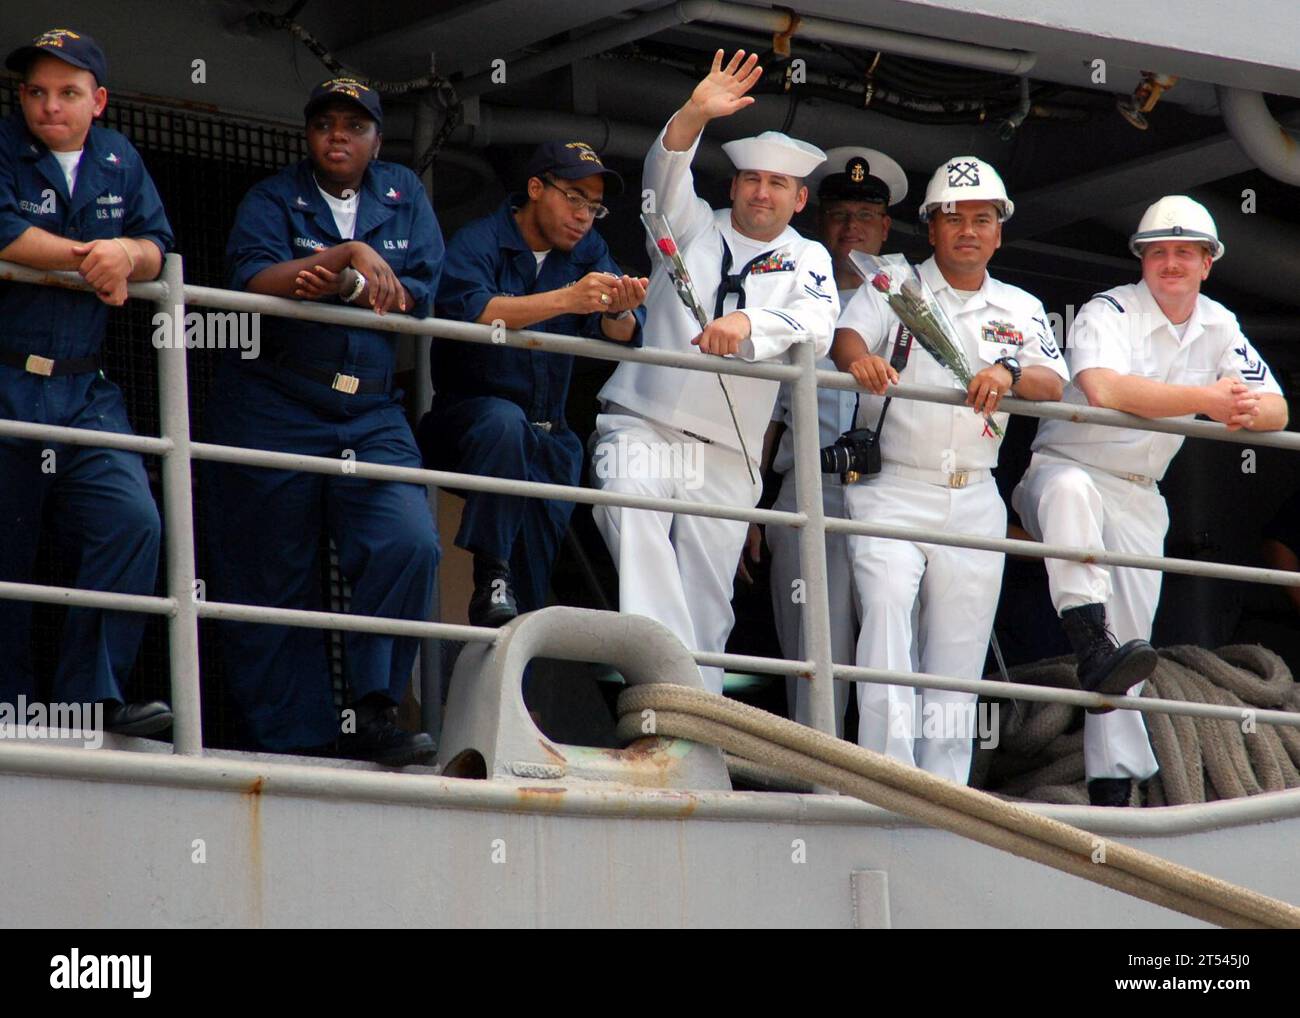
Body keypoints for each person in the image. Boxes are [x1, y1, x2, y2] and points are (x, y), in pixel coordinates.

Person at [1011, 195, 1287, 806]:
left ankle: (1113, 785)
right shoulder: (1111, 309)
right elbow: (1103, 388)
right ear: (1142, 259)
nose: (1171, 263)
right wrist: (1206, 399)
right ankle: (1087, 637)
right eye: (1158, 252)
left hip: (1140, 495)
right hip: (1065, 467)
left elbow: (1277, 407)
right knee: (1073, 498)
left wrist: (1241, 405)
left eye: (1184, 253)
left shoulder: (1218, 324)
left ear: (1207, 263)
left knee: (1129, 653)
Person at [207, 77, 443, 764]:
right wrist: (338, 260)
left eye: (354, 126)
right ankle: (293, 742)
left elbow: (423, 293)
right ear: (308, 135)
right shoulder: (274, 197)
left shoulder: (404, 195)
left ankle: (375, 709)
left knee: (409, 541)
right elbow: (252, 281)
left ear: (376, 139)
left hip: (369, 408)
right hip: (276, 400)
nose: (337, 136)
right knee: (272, 574)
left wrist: (341, 280)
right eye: (324, 124)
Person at [592, 50, 838, 694]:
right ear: (732, 187)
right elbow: (658, 183)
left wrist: (750, 324)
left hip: (727, 453)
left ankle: (692, 724)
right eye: (752, 179)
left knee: (709, 598)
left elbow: (814, 324)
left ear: (800, 197)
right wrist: (695, 113)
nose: (762, 192)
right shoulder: (693, 225)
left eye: (778, 184)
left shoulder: (809, 256)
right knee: (631, 516)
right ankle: (666, 686)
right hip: (644, 423)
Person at [831, 156, 1067, 783]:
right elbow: (847, 337)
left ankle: (943, 790)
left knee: (957, 657)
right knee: (884, 621)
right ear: (931, 227)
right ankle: (884, 776)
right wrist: (863, 364)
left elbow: (1054, 382)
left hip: (973, 494)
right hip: (893, 488)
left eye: (982, 219)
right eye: (953, 218)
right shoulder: (895, 283)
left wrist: (1007, 372)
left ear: (999, 231)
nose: (968, 230)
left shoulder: (1019, 305)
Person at [0, 29, 173, 734]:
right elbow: (5, 234)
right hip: (8, 376)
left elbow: (156, 248)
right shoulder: (4, 147)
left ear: (97, 101)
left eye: (67, 93)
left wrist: (124, 252)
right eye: (36, 92)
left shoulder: (117, 156)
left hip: (85, 387)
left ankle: (90, 698)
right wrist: (93, 260)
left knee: (132, 520)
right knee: (7, 548)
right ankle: (7, 702)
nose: (49, 106)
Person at [419, 141, 646, 627]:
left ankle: (516, 688)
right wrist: (568, 298)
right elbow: (473, 309)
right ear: (536, 188)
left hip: (550, 434)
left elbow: (621, 335)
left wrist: (619, 308)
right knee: (505, 423)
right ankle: (491, 570)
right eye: (574, 197)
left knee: (530, 600)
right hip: (468, 423)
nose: (584, 216)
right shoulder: (481, 238)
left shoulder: (590, 250)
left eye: (594, 206)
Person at [751, 146, 907, 733]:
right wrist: (752, 505)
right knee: (813, 649)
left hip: (892, 489)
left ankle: (888, 776)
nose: (850, 228)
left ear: (885, 227)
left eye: (864, 218)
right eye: (839, 215)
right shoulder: (790, 288)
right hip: (807, 485)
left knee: (893, 648)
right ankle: (822, 778)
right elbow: (766, 409)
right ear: (819, 221)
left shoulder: (908, 295)